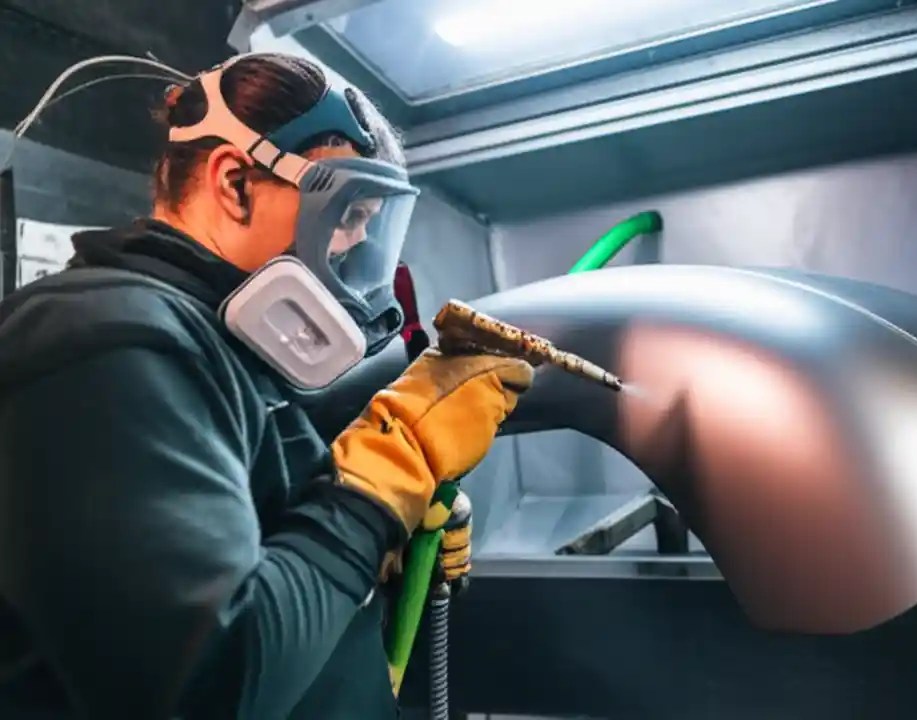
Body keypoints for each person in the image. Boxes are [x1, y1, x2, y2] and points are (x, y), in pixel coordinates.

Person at [0, 52, 532, 718]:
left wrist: (380, 546)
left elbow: (269, 555)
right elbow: (211, 684)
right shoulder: (101, 343)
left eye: (373, 224)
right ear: (234, 183)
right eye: (348, 214)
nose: (355, 248)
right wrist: (381, 487)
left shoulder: (223, 342)